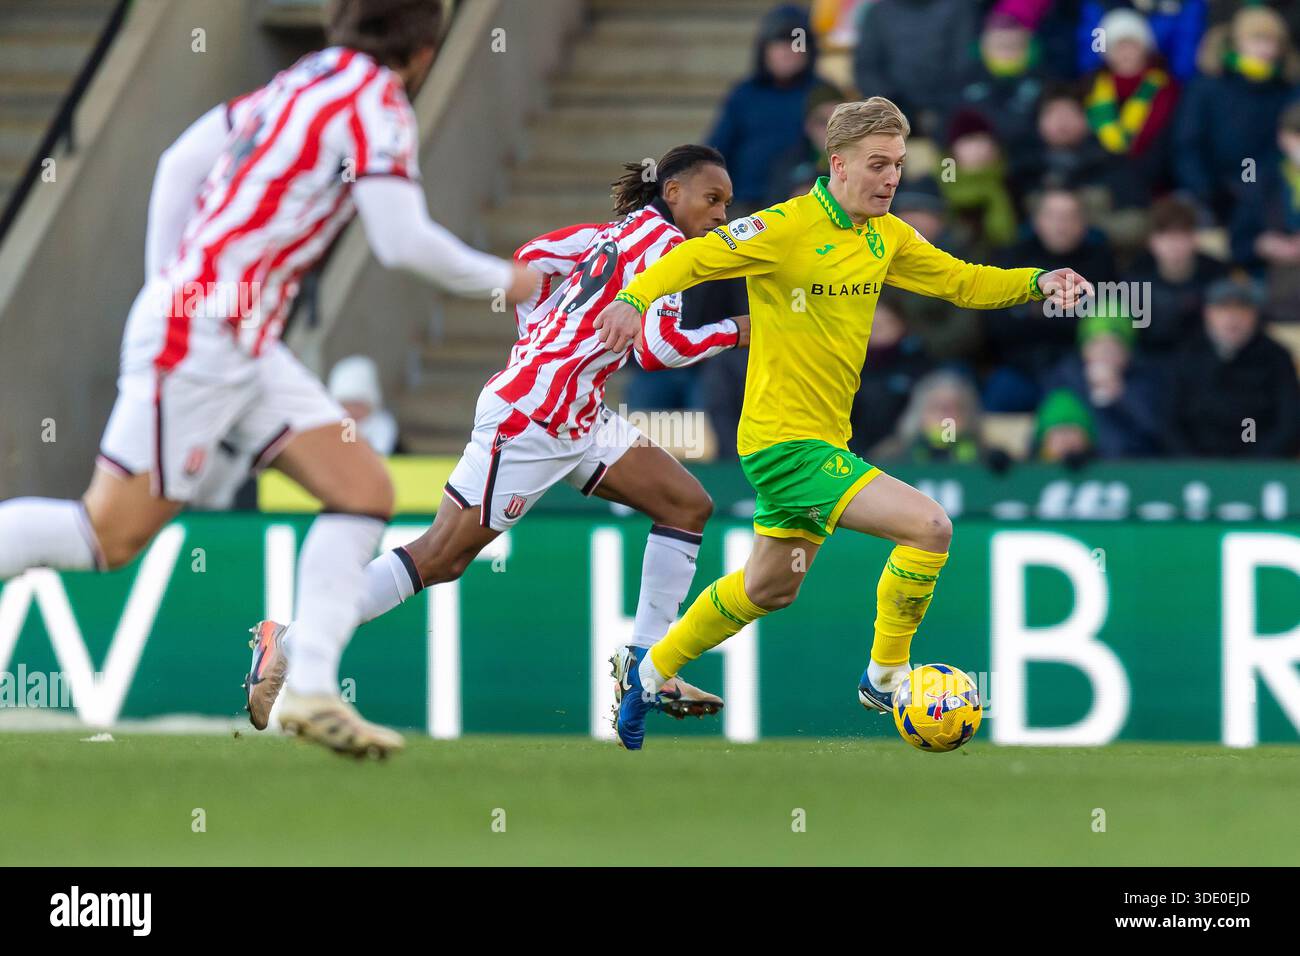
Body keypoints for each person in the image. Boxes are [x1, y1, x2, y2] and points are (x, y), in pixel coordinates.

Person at [0, 0, 539, 759]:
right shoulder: (375, 102)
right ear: (423, 50)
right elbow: (399, 239)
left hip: (232, 338)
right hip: (206, 336)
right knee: (105, 533)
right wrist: (508, 281)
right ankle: (312, 683)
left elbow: (179, 162)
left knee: (364, 491)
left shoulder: (304, 78)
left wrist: (169, 283)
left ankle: (310, 686)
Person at [593, 97, 1092, 750]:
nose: (892, 178)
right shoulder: (784, 227)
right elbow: (695, 259)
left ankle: (650, 672)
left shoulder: (887, 238)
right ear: (839, 164)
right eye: (878, 164)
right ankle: (885, 677)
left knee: (769, 587)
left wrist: (1037, 281)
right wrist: (633, 298)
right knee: (929, 526)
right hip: (782, 442)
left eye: (900, 165)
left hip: (823, 440)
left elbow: (962, 283)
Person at [244, 145, 750, 732]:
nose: (721, 214)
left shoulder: (616, 233)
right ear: (673, 194)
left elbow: (533, 257)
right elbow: (660, 350)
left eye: (728, 204)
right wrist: (740, 331)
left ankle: (644, 662)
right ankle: (291, 641)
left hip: (576, 414)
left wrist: (544, 338)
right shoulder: (665, 248)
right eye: (712, 199)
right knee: (441, 555)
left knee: (686, 505)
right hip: (532, 419)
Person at [1165, 275, 1300, 457]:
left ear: (1254, 315)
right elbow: (1169, 421)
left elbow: (1288, 422)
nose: (1232, 318)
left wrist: (1253, 464)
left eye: (1241, 309)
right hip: (1195, 467)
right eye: (1223, 309)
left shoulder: (1276, 357)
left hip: (1259, 466)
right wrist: (1194, 463)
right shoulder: (1186, 355)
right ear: (1208, 314)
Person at [708, 4, 821, 211]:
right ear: (764, 50)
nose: (787, 52)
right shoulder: (744, 94)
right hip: (746, 204)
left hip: (806, 205)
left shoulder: (823, 94)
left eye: (795, 44)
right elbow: (716, 151)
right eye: (779, 44)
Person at [1042, 310, 1165, 458]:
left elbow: (1156, 435)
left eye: (1114, 347)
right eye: (1098, 345)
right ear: (1084, 349)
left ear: (1128, 354)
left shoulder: (1145, 382)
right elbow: (1044, 435)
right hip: (1082, 469)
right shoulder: (1065, 380)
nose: (1105, 353)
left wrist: (1122, 397)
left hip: (1130, 467)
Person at [328, 355, 402, 455]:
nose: (352, 410)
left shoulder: (382, 425)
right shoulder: (332, 425)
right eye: (346, 404)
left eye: (357, 405)